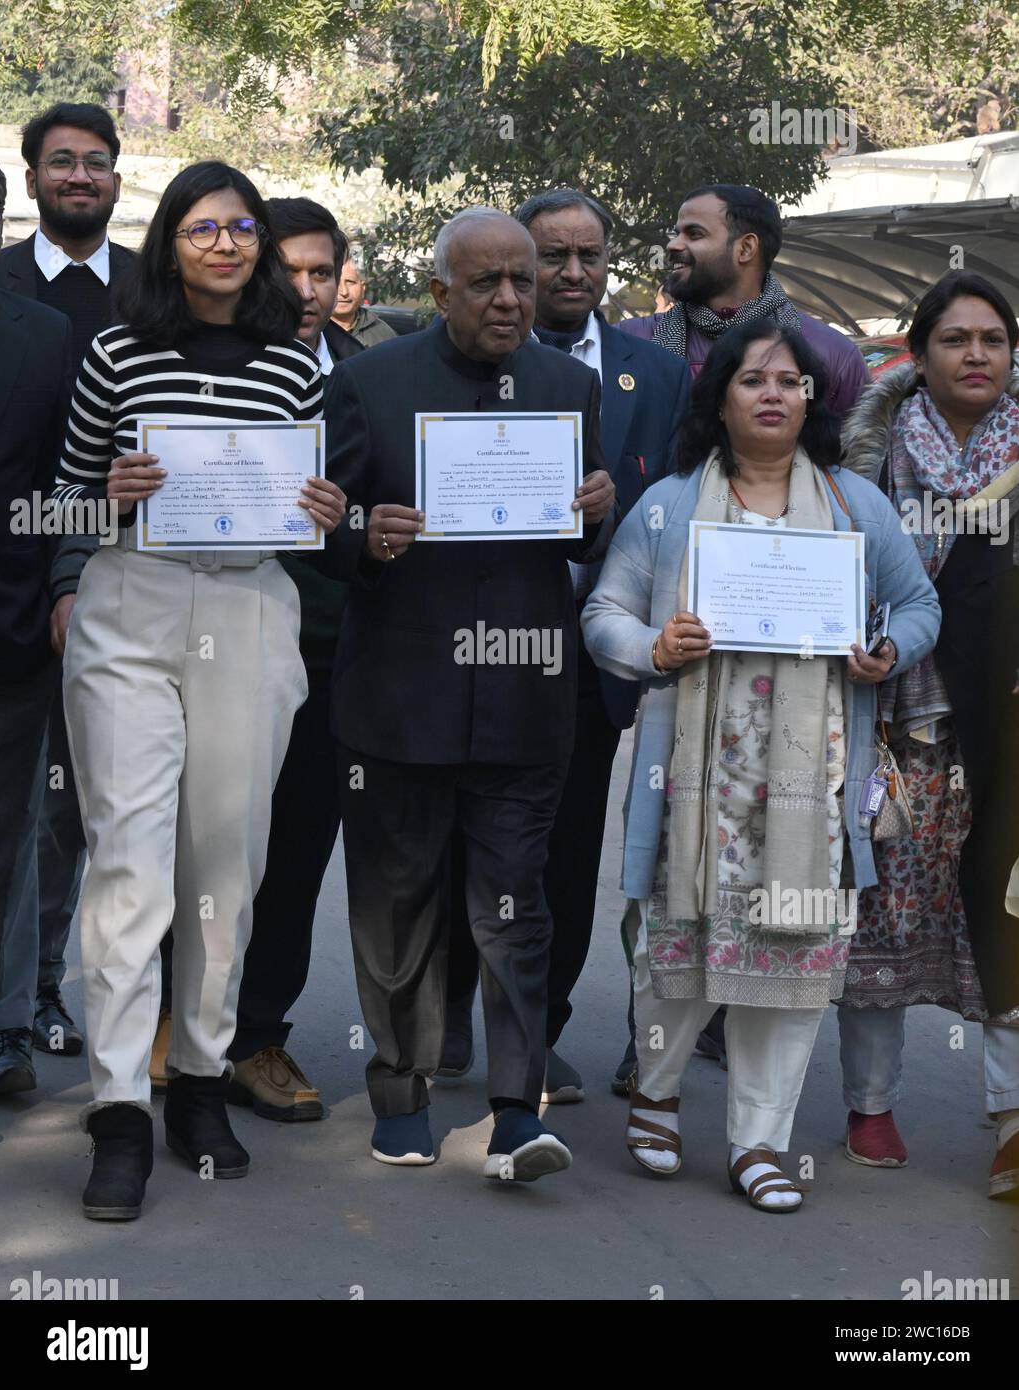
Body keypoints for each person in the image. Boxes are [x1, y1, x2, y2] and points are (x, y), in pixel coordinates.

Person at [582, 320, 940, 1210]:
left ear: (812, 399)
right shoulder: (668, 505)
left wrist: (885, 651)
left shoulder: (855, 503)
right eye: (751, 380)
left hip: (811, 789)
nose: (773, 393)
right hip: (693, 784)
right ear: (720, 400)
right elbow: (603, 612)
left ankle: (759, 1141)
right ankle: (656, 1096)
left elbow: (917, 602)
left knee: (792, 956)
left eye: (790, 381)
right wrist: (655, 645)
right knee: (682, 941)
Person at [53, 160, 345, 1220]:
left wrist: (323, 505)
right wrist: (104, 493)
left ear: (259, 244)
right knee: (130, 859)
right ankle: (121, 1109)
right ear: (171, 237)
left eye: (241, 228)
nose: (224, 243)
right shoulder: (116, 350)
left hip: (250, 606)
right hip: (132, 601)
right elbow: (66, 499)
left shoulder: (294, 361)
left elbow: (315, 513)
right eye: (202, 226)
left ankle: (203, 1082)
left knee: (228, 858)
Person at [325, 207, 615, 1179]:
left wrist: (595, 513)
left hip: (526, 693)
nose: (509, 298)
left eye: (523, 282)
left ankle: (515, 1109)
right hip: (401, 696)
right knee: (397, 907)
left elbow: (577, 544)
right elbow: (319, 525)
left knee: (512, 907)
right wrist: (366, 535)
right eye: (487, 282)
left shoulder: (569, 386)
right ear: (440, 290)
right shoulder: (368, 382)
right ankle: (400, 1093)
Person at [440, 188, 691, 1105]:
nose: (573, 273)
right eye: (553, 256)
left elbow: (671, 513)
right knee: (458, 846)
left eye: (590, 255)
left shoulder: (653, 376)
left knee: (564, 851)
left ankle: (536, 1039)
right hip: (466, 647)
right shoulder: (454, 366)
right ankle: (445, 1015)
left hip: (590, 663)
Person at [836, 271, 1019, 1199]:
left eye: (992, 338)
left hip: (1007, 722)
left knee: (1007, 909)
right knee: (881, 911)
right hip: (892, 718)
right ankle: (869, 1104)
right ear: (921, 352)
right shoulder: (865, 458)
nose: (976, 354)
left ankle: (1011, 1124)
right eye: (955, 339)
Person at [0, 102, 136, 1071]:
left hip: (95, 581)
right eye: (62, 163)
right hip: (41, 583)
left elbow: (71, 476)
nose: (78, 177)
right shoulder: (10, 293)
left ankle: (41, 987)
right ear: (33, 180)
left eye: (95, 163)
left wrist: (68, 575)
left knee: (65, 806)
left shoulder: (151, 290)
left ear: (116, 180)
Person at [225, 195, 363, 1121]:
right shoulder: (201, 369)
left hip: (332, 653)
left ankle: (256, 1036)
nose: (306, 291)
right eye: (289, 271)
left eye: (323, 272)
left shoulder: (374, 376)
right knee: (201, 847)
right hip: (216, 640)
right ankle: (172, 1020)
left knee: (296, 852)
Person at [0, 163, 74, 1093]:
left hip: (9, 634)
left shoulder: (45, 336)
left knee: (10, 840)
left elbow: (68, 486)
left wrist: (53, 594)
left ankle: (5, 1028)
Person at [622, 185, 868, 420]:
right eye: (677, 233)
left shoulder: (832, 354)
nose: (673, 245)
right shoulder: (629, 344)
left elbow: (858, 456)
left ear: (746, 248)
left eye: (694, 234)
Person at [332, 254, 397, 347]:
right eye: (336, 282)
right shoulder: (309, 333)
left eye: (350, 282)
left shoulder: (383, 335)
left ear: (363, 288)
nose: (344, 292)